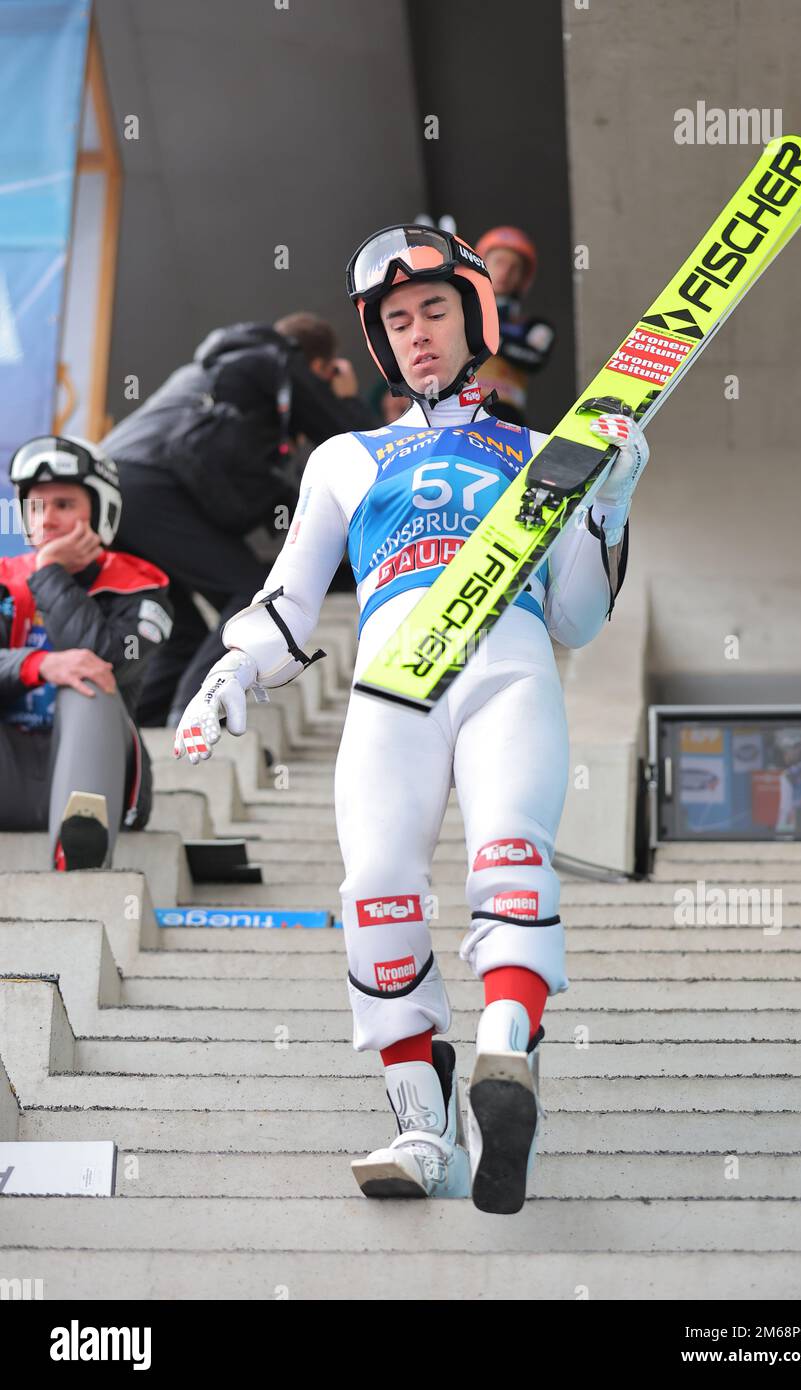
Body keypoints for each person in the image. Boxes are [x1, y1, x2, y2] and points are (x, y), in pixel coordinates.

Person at [172, 225, 649, 1213]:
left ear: (473, 316)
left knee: (509, 854)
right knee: (379, 887)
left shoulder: (538, 452)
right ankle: (419, 1126)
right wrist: (228, 669)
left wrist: (609, 503)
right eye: (397, 320)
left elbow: (574, 615)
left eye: (434, 309)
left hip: (509, 660)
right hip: (393, 677)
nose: (418, 332)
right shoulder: (346, 456)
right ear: (378, 342)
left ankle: (502, 1066)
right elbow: (291, 598)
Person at [101, 312, 378, 727]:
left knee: (183, 627)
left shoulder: (219, 368)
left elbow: (257, 486)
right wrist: (346, 396)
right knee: (245, 588)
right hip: (148, 488)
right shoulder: (275, 362)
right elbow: (359, 443)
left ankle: (140, 724)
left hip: (112, 489)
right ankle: (194, 714)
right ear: (320, 366)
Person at [0, 436, 173, 870]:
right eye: (37, 507)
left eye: (63, 505)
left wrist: (50, 574)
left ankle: (80, 846)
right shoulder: (5, 580)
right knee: (67, 667)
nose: (48, 520)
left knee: (88, 675)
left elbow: (109, 658)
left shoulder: (143, 588)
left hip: (103, 775)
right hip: (11, 774)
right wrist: (38, 664)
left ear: (100, 510)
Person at [473, 225, 555, 425]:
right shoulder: (457, 313)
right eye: (499, 262)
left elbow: (534, 358)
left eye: (515, 267)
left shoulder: (534, 325)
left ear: (523, 278)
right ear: (482, 264)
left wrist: (492, 338)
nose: (505, 271)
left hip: (506, 413)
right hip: (460, 410)